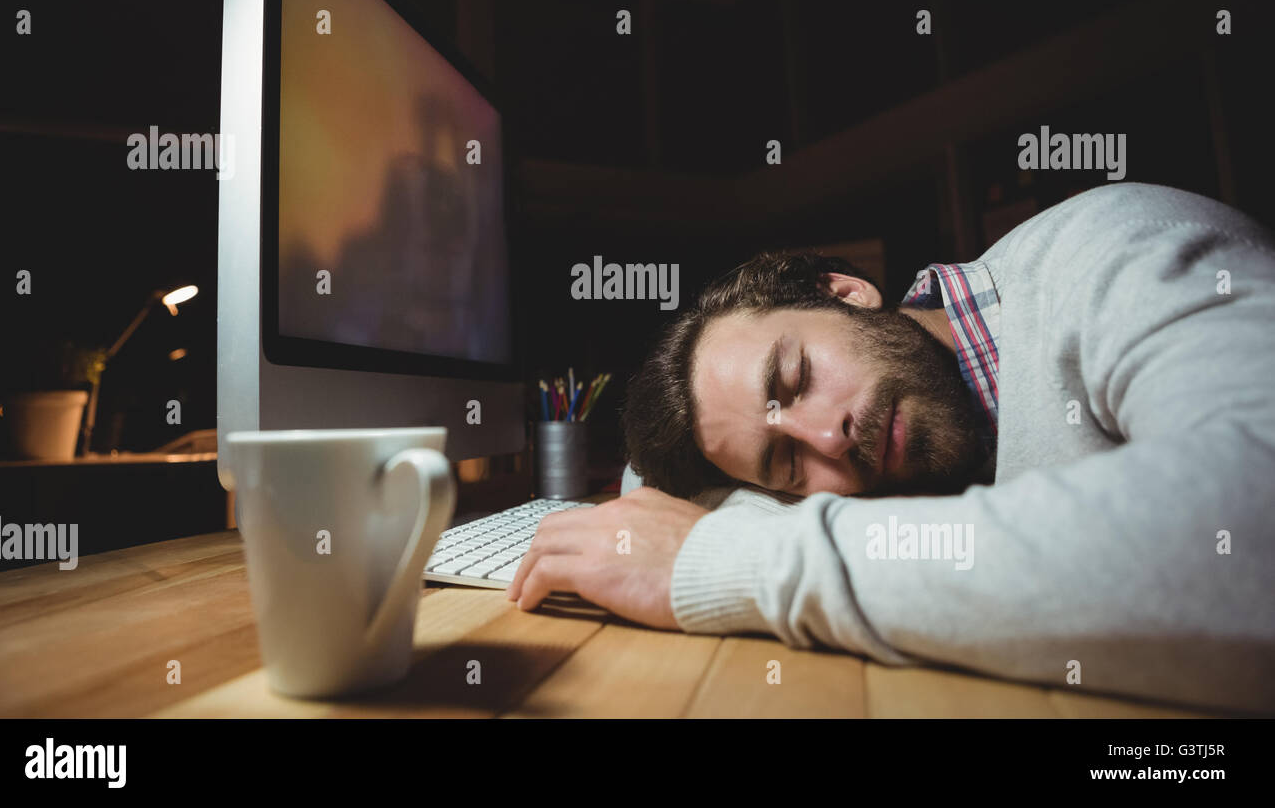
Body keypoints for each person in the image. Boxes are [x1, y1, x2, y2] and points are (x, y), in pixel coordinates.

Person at [505, 183, 1275, 713]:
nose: (824, 437)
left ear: (845, 292)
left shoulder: (1113, 246)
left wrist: (723, 563)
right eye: (784, 466)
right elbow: (647, 478)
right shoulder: (868, 472)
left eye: (795, 375)